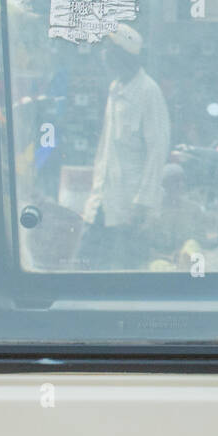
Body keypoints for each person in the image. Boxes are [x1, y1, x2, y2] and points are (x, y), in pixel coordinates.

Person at [79, 24, 170, 270]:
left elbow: (157, 151)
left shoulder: (148, 92)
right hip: (103, 199)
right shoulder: (115, 89)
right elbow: (106, 149)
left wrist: (143, 203)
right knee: (84, 264)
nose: (103, 55)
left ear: (124, 56)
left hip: (130, 208)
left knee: (126, 270)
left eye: (109, 50)